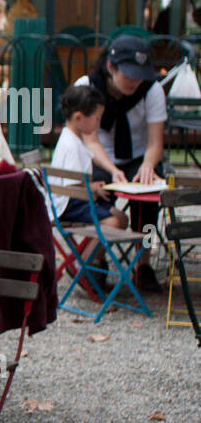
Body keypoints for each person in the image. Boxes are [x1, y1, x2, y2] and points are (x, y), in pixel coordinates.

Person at [72, 35, 166, 291]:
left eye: (140, 74)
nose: (135, 80)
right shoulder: (88, 86)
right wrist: (113, 170)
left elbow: (155, 141)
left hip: (137, 155)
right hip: (100, 156)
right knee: (100, 192)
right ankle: (98, 264)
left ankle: (143, 263)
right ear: (111, 67)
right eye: (129, 74)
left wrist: (148, 165)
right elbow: (89, 139)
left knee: (150, 198)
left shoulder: (151, 89)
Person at [46, 85, 129, 236]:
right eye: (96, 118)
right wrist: (94, 188)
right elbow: (72, 185)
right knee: (113, 223)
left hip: (75, 199)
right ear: (78, 117)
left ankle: (94, 258)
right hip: (68, 204)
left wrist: (92, 186)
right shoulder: (71, 145)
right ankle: (85, 259)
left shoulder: (74, 139)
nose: (98, 123)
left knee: (121, 219)